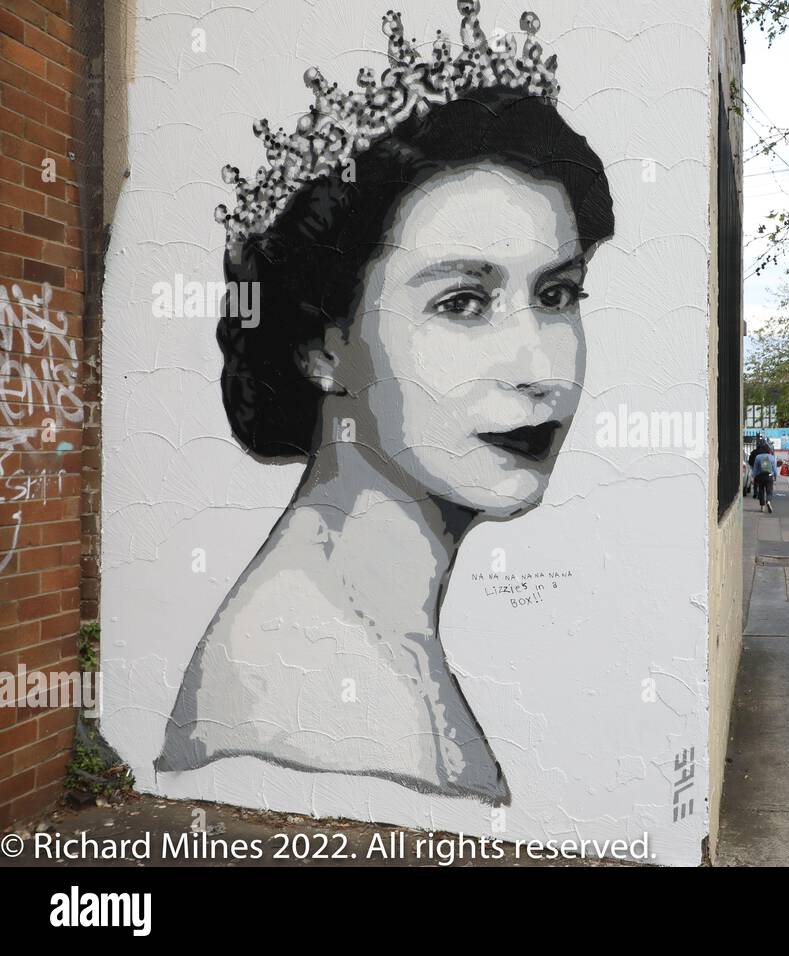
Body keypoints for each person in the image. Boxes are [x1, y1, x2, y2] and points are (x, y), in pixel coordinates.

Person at [155, 4, 615, 805]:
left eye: (558, 292)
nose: (541, 369)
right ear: (323, 345)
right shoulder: (329, 708)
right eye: (464, 302)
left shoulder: (370, 636)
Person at [752, 441, 777, 513]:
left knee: (761, 491)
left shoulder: (758, 457)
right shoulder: (772, 457)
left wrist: (753, 477)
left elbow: (755, 469)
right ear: (768, 450)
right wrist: (775, 477)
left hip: (760, 477)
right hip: (769, 476)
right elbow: (775, 469)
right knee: (769, 491)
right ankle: (768, 501)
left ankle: (762, 507)